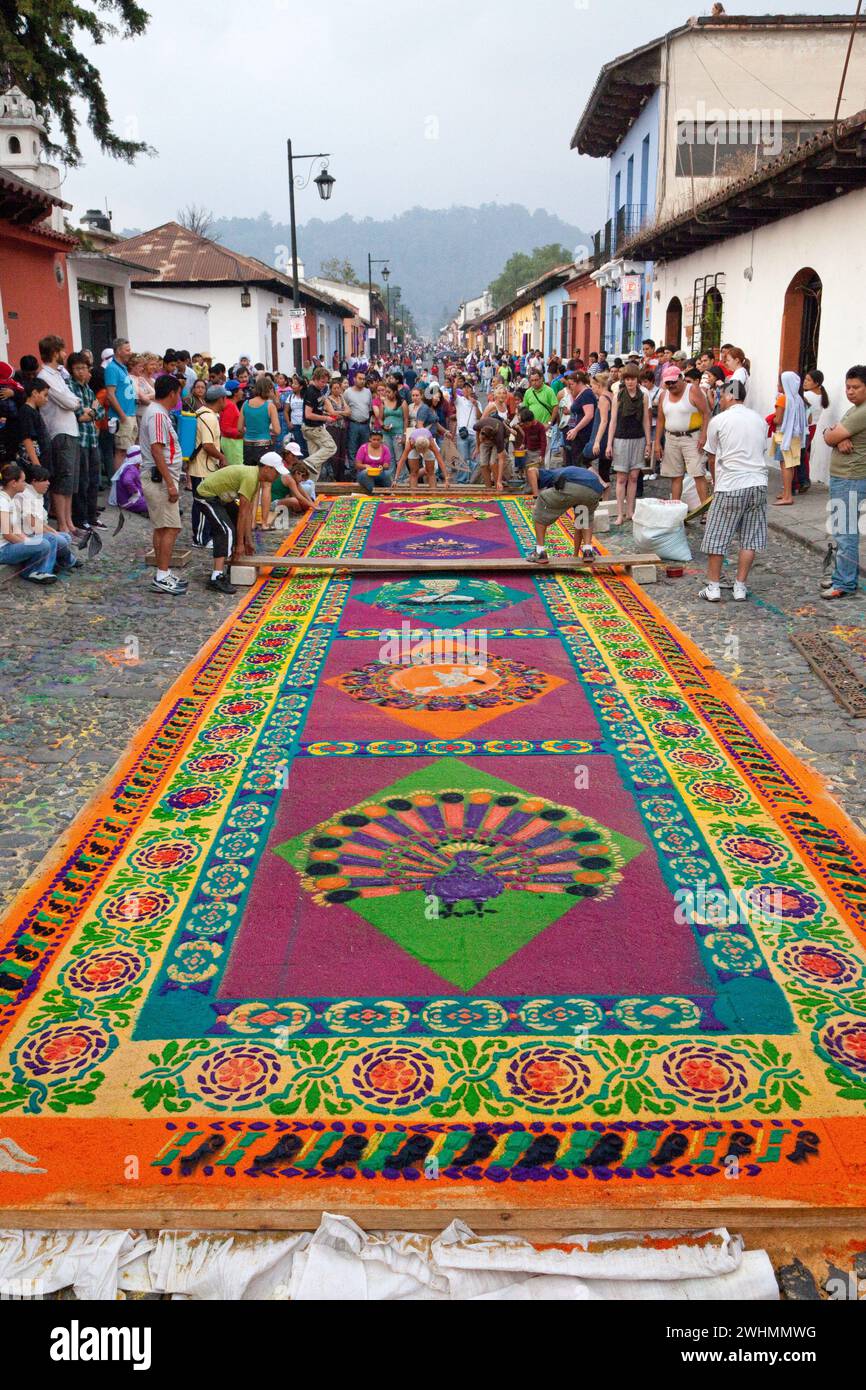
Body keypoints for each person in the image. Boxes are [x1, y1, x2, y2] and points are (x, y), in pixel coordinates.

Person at [699, 380, 768, 603]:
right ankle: (740, 586)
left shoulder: (719, 420)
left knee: (717, 535)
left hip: (731, 483)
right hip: (758, 483)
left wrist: (716, 482)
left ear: (728, 395)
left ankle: (713, 586)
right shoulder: (758, 419)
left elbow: (711, 456)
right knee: (750, 537)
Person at [195, 453, 290, 594]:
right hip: (206, 495)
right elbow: (243, 514)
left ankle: (233, 564)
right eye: (276, 472)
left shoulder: (255, 477)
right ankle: (216, 577)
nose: (277, 477)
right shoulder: (251, 477)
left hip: (221, 498)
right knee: (226, 530)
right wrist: (240, 544)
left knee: (234, 526)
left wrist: (248, 541)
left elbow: (245, 513)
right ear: (267, 469)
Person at [139, 373, 188, 596]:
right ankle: (162, 574)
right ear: (172, 393)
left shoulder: (157, 413)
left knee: (162, 527)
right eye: (179, 392)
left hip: (160, 476)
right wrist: (170, 484)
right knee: (171, 527)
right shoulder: (157, 415)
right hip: (159, 479)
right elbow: (157, 449)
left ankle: (163, 573)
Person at [821, 365, 866, 601]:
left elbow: (830, 435)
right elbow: (831, 434)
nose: (850, 391)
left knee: (845, 532)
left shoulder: (862, 412)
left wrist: (834, 436)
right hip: (844, 477)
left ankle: (845, 582)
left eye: (856, 387)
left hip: (850, 478)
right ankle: (843, 574)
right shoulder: (855, 409)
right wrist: (836, 437)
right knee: (841, 531)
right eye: (848, 387)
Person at [37, 335, 81, 540]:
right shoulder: (45, 376)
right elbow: (68, 401)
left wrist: (75, 401)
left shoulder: (58, 375)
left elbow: (72, 397)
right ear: (55, 352)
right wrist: (76, 402)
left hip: (70, 429)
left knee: (70, 480)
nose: (65, 354)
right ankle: (63, 524)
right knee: (62, 479)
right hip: (59, 430)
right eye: (63, 351)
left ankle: (69, 521)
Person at [527, 463, 608, 565]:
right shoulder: (573, 472)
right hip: (594, 489)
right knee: (584, 519)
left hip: (572, 485)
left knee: (540, 506)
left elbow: (531, 471)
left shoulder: (550, 473)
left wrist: (536, 496)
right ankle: (588, 551)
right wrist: (574, 556)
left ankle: (540, 552)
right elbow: (579, 526)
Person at [656, 365, 711, 506]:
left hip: (692, 437)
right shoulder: (664, 394)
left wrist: (703, 436)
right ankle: (676, 508)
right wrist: (657, 442)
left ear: (680, 378)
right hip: (671, 438)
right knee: (675, 475)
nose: (670, 385)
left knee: (697, 473)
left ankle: (705, 510)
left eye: (673, 382)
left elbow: (706, 413)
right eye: (667, 383)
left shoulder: (692, 390)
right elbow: (661, 419)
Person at [607, 364, 651, 526]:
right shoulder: (618, 395)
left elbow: (646, 420)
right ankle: (620, 513)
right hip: (621, 439)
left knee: (634, 477)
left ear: (637, 379)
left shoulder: (643, 396)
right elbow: (612, 421)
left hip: (638, 438)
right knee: (621, 478)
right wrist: (609, 444)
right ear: (623, 380)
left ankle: (630, 511)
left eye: (632, 379)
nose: (630, 382)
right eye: (627, 379)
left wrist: (648, 442)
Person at [67, 351, 105, 533]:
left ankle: (92, 516)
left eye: (83, 368)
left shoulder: (88, 389)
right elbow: (79, 416)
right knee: (81, 481)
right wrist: (91, 412)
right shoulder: (70, 387)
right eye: (77, 368)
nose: (81, 372)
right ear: (71, 370)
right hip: (80, 439)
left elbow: (99, 411)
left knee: (93, 480)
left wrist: (90, 412)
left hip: (92, 439)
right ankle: (80, 517)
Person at [188, 385, 227, 547]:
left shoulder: (201, 412)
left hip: (200, 466)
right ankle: (201, 538)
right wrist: (222, 457)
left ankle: (204, 534)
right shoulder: (210, 417)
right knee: (203, 503)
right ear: (220, 399)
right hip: (203, 467)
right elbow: (207, 445)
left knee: (200, 502)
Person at [771, 372, 809, 507]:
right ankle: (787, 493)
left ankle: (787, 496)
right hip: (795, 436)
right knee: (790, 465)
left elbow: (778, 419)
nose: (777, 385)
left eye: (779, 383)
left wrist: (772, 418)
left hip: (784, 436)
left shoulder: (783, 399)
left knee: (785, 465)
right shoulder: (798, 399)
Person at [104, 338, 138, 468]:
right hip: (123, 416)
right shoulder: (112, 368)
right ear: (118, 351)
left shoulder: (122, 368)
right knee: (122, 451)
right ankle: (119, 482)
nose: (130, 352)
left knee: (130, 450)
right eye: (127, 350)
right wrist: (122, 415)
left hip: (130, 413)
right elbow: (110, 395)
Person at [302, 366, 338, 481]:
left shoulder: (317, 391)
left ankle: (309, 488)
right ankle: (308, 461)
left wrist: (326, 414)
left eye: (326, 382)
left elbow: (317, 408)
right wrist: (325, 418)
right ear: (315, 378)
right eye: (322, 382)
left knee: (315, 465)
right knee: (331, 447)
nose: (324, 384)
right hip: (313, 428)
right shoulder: (312, 392)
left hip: (309, 428)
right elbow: (308, 414)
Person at [474, 414, 510, 491]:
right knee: (483, 463)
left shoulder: (498, 438)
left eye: (483, 440)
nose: (481, 440)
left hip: (497, 440)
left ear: (490, 438)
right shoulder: (479, 425)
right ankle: (488, 488)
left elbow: (501, 460)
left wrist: (499, 481)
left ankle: (498, 486)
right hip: (486, 436)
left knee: (493, 463)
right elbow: (477, 432)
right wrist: (477, 447)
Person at [344, 370, 373, 465]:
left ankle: (363, 472)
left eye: (364, 379)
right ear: (354, 379)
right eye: (360, 378)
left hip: (365, 425)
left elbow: (369, 408)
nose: (362, 381)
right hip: (353, 424)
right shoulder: (348, 392)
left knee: (365, 449)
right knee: (352, 449)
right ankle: (353, 473)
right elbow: (344, 407)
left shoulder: (368, 392)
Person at [355, 425, 394, 494]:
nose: (376, 442)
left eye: (378, 440)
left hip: (379, 473)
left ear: (381, 440)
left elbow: (387, 465)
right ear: (370, 439)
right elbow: (357, 465)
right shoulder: (363, 448)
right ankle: (374, 493)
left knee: (388, 474)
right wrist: (365, 466)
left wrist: (383, 467)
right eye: (374, 439)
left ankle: (388, 493)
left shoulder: (385, 449)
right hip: (366, 473)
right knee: (364, 474)